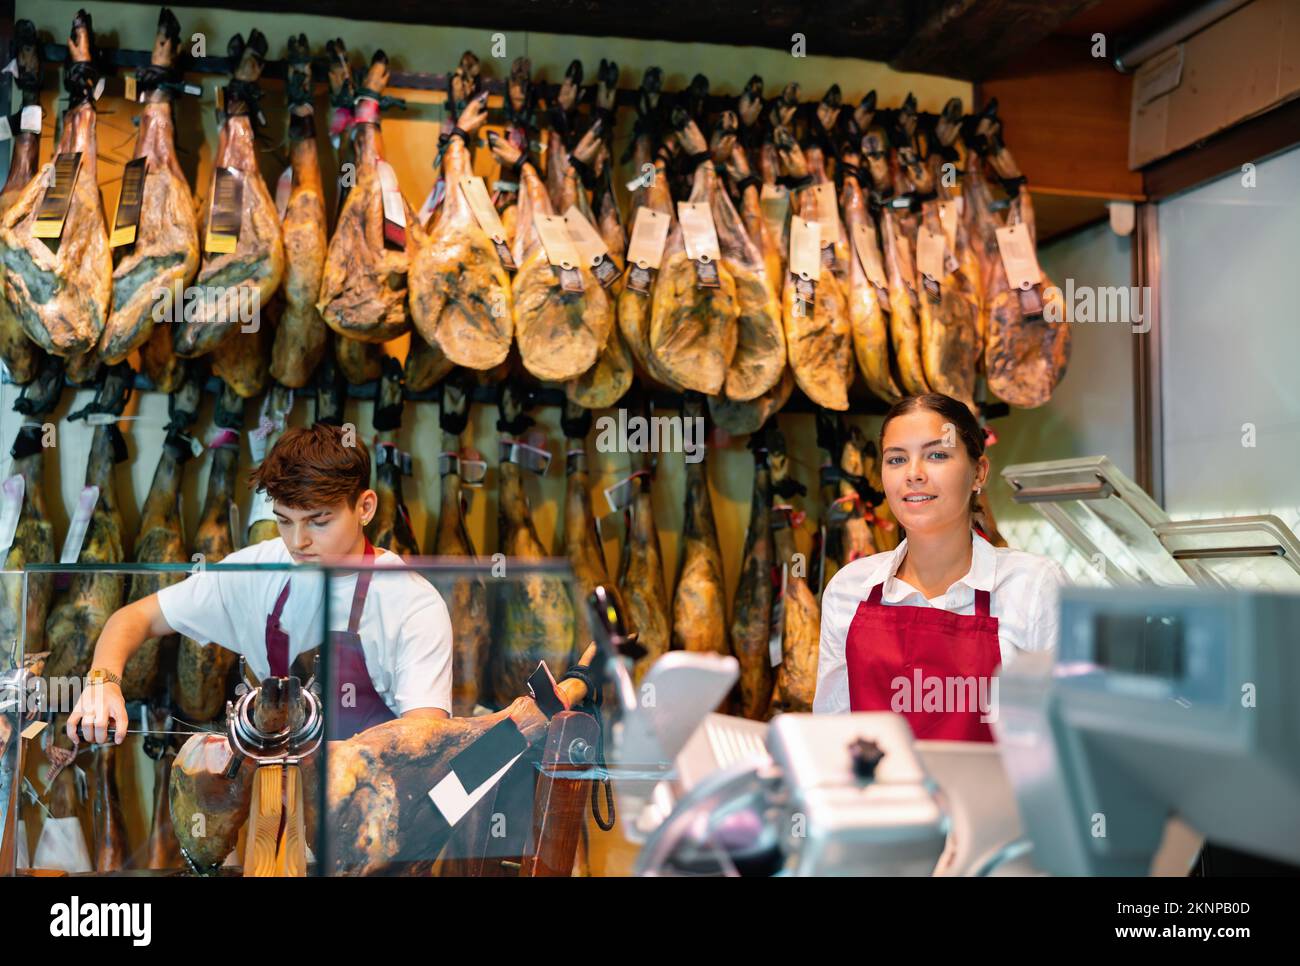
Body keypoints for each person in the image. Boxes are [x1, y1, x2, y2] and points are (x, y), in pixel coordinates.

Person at [68, 424, 452, 744]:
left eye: (318, 522)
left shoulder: (412, 603)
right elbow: (135, 618)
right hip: (274, 793)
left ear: (365, 508)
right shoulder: (260, 568)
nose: (298, 540)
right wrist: (103, 681)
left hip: (365, 808)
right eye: (285, 520)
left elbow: (423, 743)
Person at [814, 393, 1068, 740]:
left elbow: (1064, 740)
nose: (914, 474)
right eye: (896, 459)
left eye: (936, 455)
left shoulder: (1033, 586)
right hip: (883, 794)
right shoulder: (849, 589)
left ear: (978, 472)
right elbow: (832, 734)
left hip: (991, 794)